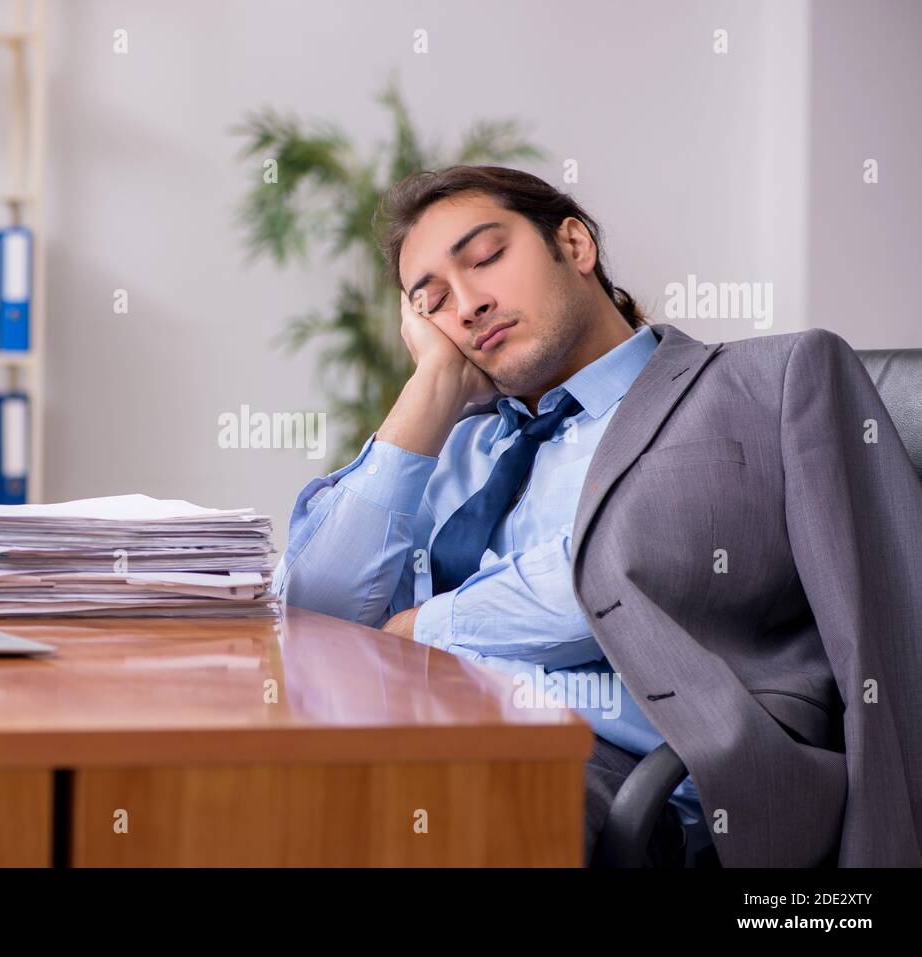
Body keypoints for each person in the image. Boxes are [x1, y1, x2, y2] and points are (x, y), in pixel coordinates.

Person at [273, 165, 922, 867]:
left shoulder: (764, 382)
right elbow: (315, 616)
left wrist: (418, 630)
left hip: (630, 774)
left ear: (575, 244)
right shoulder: (454, 445)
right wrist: (428, 394)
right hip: (420, 738)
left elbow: (625, 570)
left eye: (486, 258)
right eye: (430, 302)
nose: (464, 306)